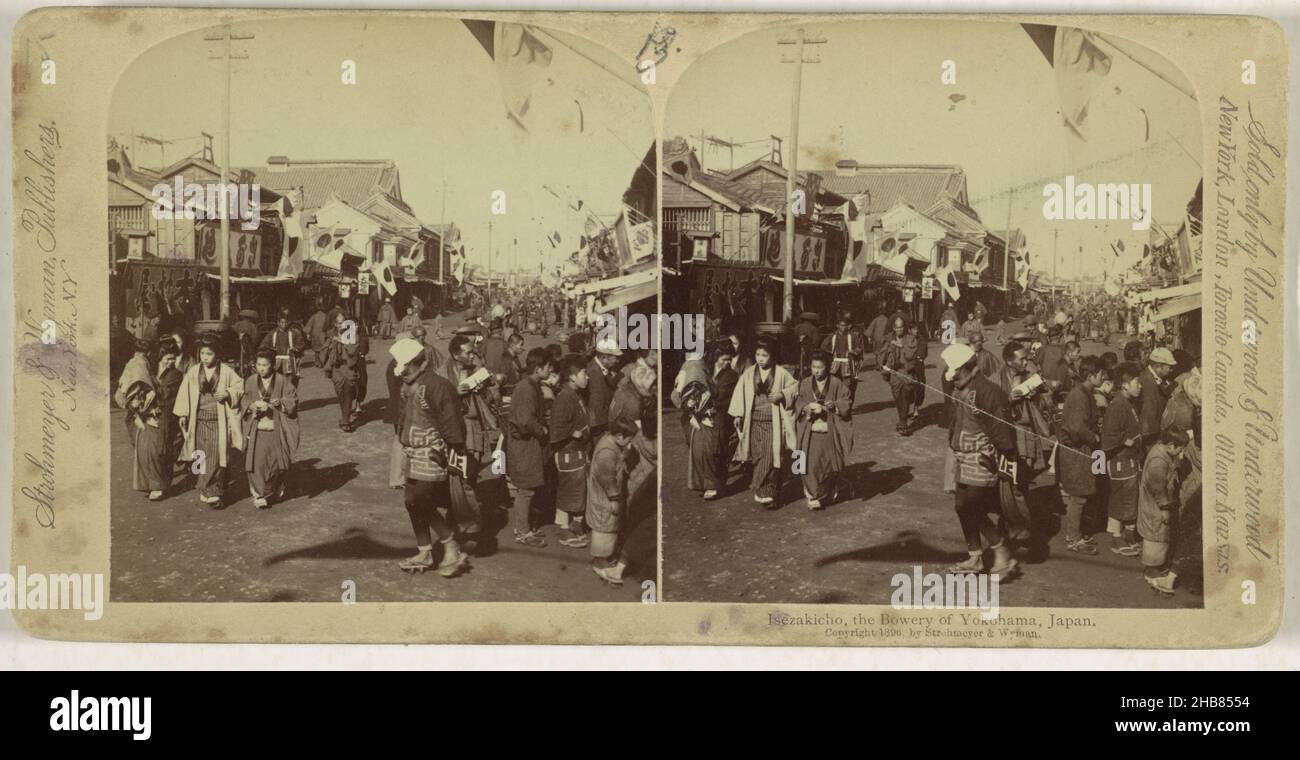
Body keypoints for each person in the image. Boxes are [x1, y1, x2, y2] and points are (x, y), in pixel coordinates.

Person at [389, 338, 470, 578]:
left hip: (432, 452)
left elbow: (452, 422)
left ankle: (451, 545)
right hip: (412, 451)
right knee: (411, 502)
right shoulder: (408, 386)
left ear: (418, 363)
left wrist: (456, 451)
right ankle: (425, 550)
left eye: (406, 367)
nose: (402, 372)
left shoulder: (438, 386)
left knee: (422, 500)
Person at [941, 342, 1018, 576]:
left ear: (970, 367)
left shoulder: (989, 392)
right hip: (962, 457)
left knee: (971, 505)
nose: (953, 378)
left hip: (982, 458)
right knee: (961, 506)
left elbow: (1002, 431)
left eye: (957, 373)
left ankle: (1002, 553)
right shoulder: (962, 389)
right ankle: (975, 557)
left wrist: (1006, 458)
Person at [173, 335, 244, 507]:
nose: (205, 357)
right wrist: (183, 414)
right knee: (199, 454)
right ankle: (205, 488)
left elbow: (239, 386)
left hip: (218, 419)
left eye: (209, 354)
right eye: (203, 353)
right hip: (198, 419)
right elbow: (184, 393)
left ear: (217, 355)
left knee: (216, 454)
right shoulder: (194, 371)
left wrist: (227, 393)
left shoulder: (226, 371)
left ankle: (214, 491)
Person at [728, 336, 798, 508]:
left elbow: (795, 387)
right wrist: (738, 415)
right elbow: (739, 393)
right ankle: (771, 493)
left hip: (772, 421)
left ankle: (762, 488)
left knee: (770, 455)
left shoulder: (781, 373)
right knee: (759, 456)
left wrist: (782, 394)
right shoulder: (749, 373)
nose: (760, 358)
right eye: (758, 354)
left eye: (764, 355)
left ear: (772, 356)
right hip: (753, 420)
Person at [1057, 355, 1106, 554]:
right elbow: (1077, 427)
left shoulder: (1085, 392)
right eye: (1102, 374)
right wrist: (1093, 437)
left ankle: (1076, 533)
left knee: (1081, 494)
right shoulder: (1079, 396)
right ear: (1092, 375)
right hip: (1077, 452)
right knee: (1078, 496)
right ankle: (1073, 538)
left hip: (1081, 451)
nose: (1104, 378)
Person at [240, 348, 300, 508]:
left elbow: (292, 399)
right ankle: (260, 494)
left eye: (265, 365)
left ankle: (274, 488)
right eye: (258, 364)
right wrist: (252, 405)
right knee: (256, 463)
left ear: (273, 365)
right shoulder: (251, 381)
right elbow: (244, 400)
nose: (261, 368)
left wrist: (280, 403)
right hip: (258, 428)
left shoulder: (282, 380)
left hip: (276, 428)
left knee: (277, 463)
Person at [507, 348, 554, 548]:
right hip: (524, 446)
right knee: (525, 489)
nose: (551, 371)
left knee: (528, 488)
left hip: (528, 445)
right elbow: (526, 420)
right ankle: (522, 531)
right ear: (538, 368)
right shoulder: (526, 389)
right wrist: (542, 430)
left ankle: (524, 526)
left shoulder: (532, 385)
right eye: (548, 367)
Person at [795, 351, 853, 509]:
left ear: (827, 367)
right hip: (810, 431)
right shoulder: (806, 383)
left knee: (829, 464)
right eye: (813, 367)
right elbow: (799, 400)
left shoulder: (836, 383)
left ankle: (826, 491)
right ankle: (813, 495)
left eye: (820, 367)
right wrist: (806, 407)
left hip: (829, 430)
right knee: (809, 463)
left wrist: (833, 406)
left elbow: (846, 400)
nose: (816, 371)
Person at [586, 417, 638, 586]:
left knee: (609, 528)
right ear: (620, 436)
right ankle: (599, 562)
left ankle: (604, 557)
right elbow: (607, 479)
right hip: (604, 498)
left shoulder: (610, 443)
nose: (630, 442)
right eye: (628, 438)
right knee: (604, 529)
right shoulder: (607, 452)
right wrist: (614, 498)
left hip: (604, 496)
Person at [1139, 427, 1189, 595]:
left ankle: (1156, 566)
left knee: (1160, 536)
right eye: (1180, 448)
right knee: (1156, 537)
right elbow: (1158, 489)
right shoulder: (1158, 461)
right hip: (1156, 507)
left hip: (1156, 504)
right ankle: (1151, 571)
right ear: (1171, 445)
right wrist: (1165, 508)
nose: (1181, 451)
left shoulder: (1162, 452)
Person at [1102, 362, 1144, 555]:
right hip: (1120, 460)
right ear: (1125, 384)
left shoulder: (1128, 403)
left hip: (1131, 460)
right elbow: (1108, 434)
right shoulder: (1117, 405)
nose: (1140, 386)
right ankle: (1116, 538)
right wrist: (1123, 440)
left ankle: (1128, 534)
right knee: (1120, 499)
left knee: (1131, 498)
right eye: (1137, 382)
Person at [551, 354, 591, 547]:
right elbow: (556, 429)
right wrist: (572, 433)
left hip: (579, 452)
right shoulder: (564, 398)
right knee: (568, 491)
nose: (587, 377)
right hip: (567, 452)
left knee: (578, 490)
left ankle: (575, 524)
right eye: (584, 373)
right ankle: (562, 528)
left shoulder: (575, 395)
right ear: (573, 376)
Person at [122, 379, 170, 501]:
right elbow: (129, 406)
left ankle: (157, 486)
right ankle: (148, 485)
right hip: (142, 425)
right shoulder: (136, 388)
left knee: (154, 453)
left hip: (155, 423)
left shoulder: (156, 384)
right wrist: (134, 406)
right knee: (143, 453)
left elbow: (164, 404)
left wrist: (153, 411)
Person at [878, 316, 921, 436]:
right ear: (893, 328)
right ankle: (902, 418)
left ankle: (903, 423)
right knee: (897, 398)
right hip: (894, 373)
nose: (899, 330)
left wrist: (901, 346)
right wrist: (884, 363)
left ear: (904, 327)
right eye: (897, 327)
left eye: (901, 327)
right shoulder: (888, 339)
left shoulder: (911, 339)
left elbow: (912, 354)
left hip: (906, 372)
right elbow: (881, 355)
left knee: (905, 396)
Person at [1139, 347, 1177, 447]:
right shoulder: (1148, 382)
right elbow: (1148, 416)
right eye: (1169, 367)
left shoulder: (1154, 378)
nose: (1172, 370)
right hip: (1150, 437)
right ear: (1158, 366)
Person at [821, 314, 864, 403]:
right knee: (834, 385)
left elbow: (860, 347)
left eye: (845, 325)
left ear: (848, 326)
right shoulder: (832, 336)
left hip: (848, 365)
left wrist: (853, 352)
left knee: (848, 386)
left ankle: (847, 403)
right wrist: (830, 353)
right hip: (835, 366)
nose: (843, 327)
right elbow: (823, 346)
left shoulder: (853, 336)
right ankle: (837, 404)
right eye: (841, 325)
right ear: (838, 326)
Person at [259, 308, 306, 388]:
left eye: (286, 322)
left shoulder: (294, 332)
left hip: (290, 360)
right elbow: (264, 345)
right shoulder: (273, 333)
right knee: (277, 382)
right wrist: (271, 350)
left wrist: (295, 348)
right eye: (282, 322)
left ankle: (292, 398)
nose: (284, 324)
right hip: (276, 362)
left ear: (289, 323)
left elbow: (301, 343)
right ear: (278, 323)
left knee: (291, 382)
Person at [585, 339, 622, 439]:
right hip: (599, 426)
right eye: (616, 358)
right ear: (604, 357)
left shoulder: (602, 369)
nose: (618, 361)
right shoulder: (594, 373)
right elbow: (596, 404)